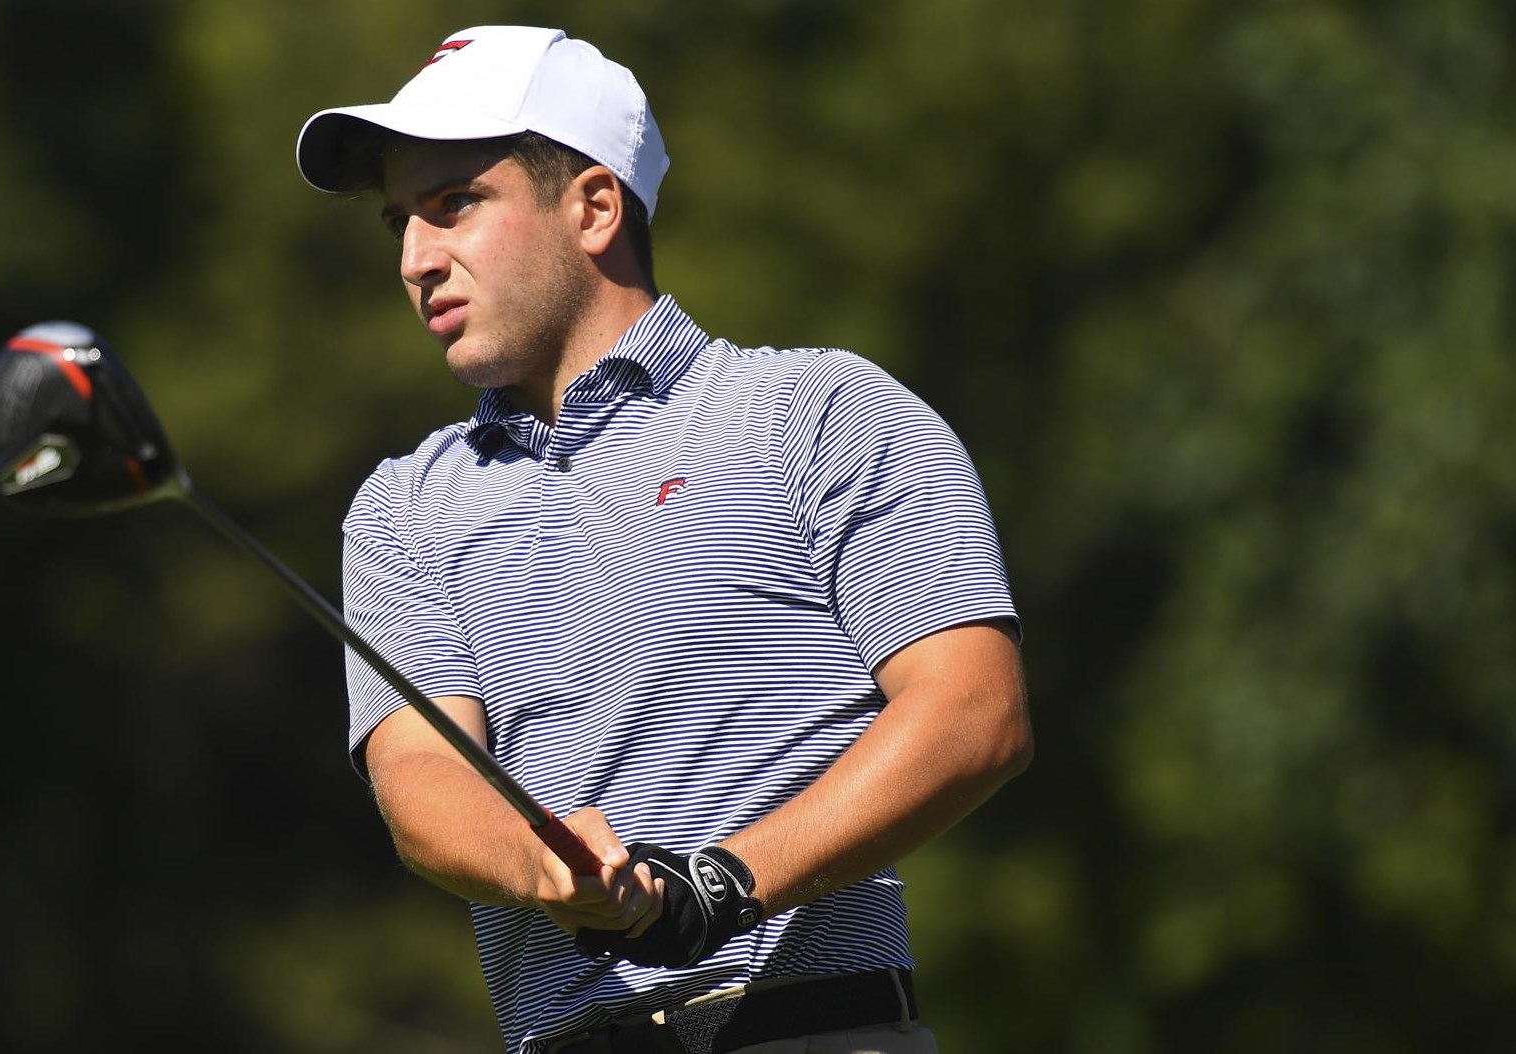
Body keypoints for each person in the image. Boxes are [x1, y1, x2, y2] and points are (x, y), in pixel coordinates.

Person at [295, 25, 1032, 1054]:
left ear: (592, 207)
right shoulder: (402, 507)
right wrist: (537, 860)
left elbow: (973, 710)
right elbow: (420, 782)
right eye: (397, 224)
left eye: (453, 203)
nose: (417, 259)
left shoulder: (815, 414)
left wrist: (723, 886)